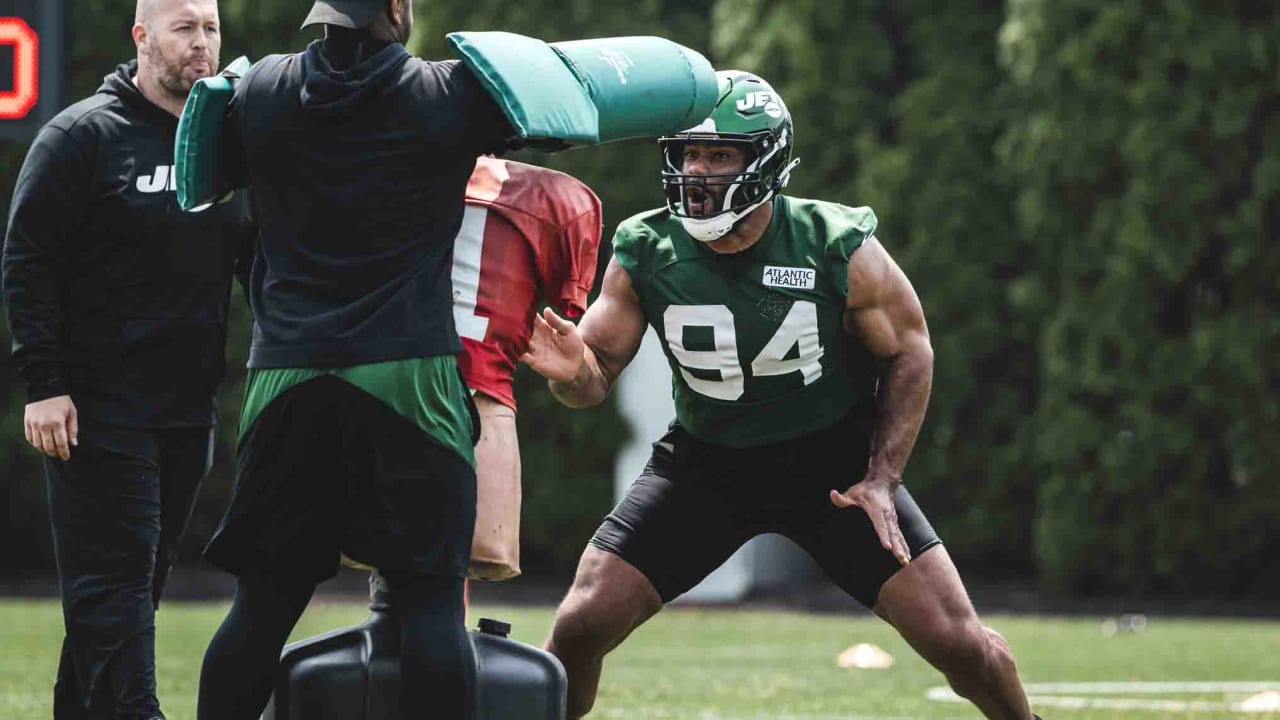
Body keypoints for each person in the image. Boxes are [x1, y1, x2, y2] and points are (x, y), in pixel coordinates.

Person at [521, 71, 1044, 720]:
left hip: (832, 470)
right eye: (688, 154)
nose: (697, 171)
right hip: (705, 467)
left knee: (961, 646)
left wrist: (883, 477)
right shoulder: (646, 248)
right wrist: (570, 370)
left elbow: (911, 350)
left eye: (719, 155)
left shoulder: (835, 244)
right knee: (578, 627)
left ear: (766, 161)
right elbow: (592, 380)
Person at [193, 1, 517, 719]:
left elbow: (215, 177)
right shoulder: (449, 93)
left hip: (287, 372)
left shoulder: (259, 89)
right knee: (431, 600)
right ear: (397, 7)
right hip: (407, 371)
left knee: (263, 603)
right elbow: (552, 121)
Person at [0, 1, 254, 718]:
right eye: (184, 28)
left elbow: (255, 259)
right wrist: (44, 383)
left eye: (210, 28)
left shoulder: (226, 146)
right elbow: (27, 262)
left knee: (118, 605)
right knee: (117, 599)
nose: (201, 43)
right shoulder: (81, 136)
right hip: (96, 415)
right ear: (142, 37)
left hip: (187, 417)